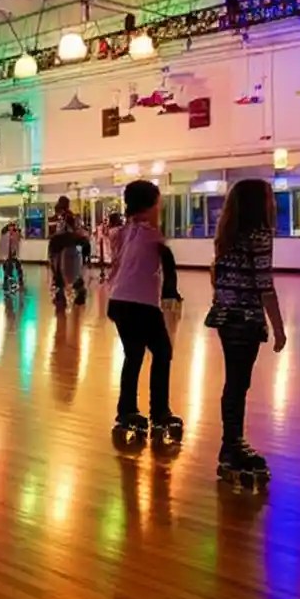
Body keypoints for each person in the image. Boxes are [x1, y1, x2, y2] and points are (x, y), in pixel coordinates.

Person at [204, 178, 286, 486]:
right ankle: (231, 444)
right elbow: (265, 285)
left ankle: (232, 443)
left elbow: (217, 276)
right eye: (269, 198)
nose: (273, 203)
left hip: (224, 318)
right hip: (246, 319)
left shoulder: (227, 235)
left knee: (234, 383)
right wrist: (279, 329)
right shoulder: (260, 235)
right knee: (239, 384)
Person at [106, 180, 184, 444]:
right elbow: (168, 262)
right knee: (162, 352)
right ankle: (159, 412)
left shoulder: (123, 232)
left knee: (134, 355)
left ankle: (127, 410)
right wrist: (172, 293)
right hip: (140, 304)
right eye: (158, 204)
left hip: (118, 301)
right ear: (151, 206)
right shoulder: (151, 235)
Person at [0, 221, 24, 292]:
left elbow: (19, 239)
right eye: (10, 226)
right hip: (8, 253)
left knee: (17, 266)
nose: (11, 228)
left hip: (13, 253)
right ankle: (7, 279)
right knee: (7, 266)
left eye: (12, 226)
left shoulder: (16, 234)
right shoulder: (5, 234)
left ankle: (19, 279)